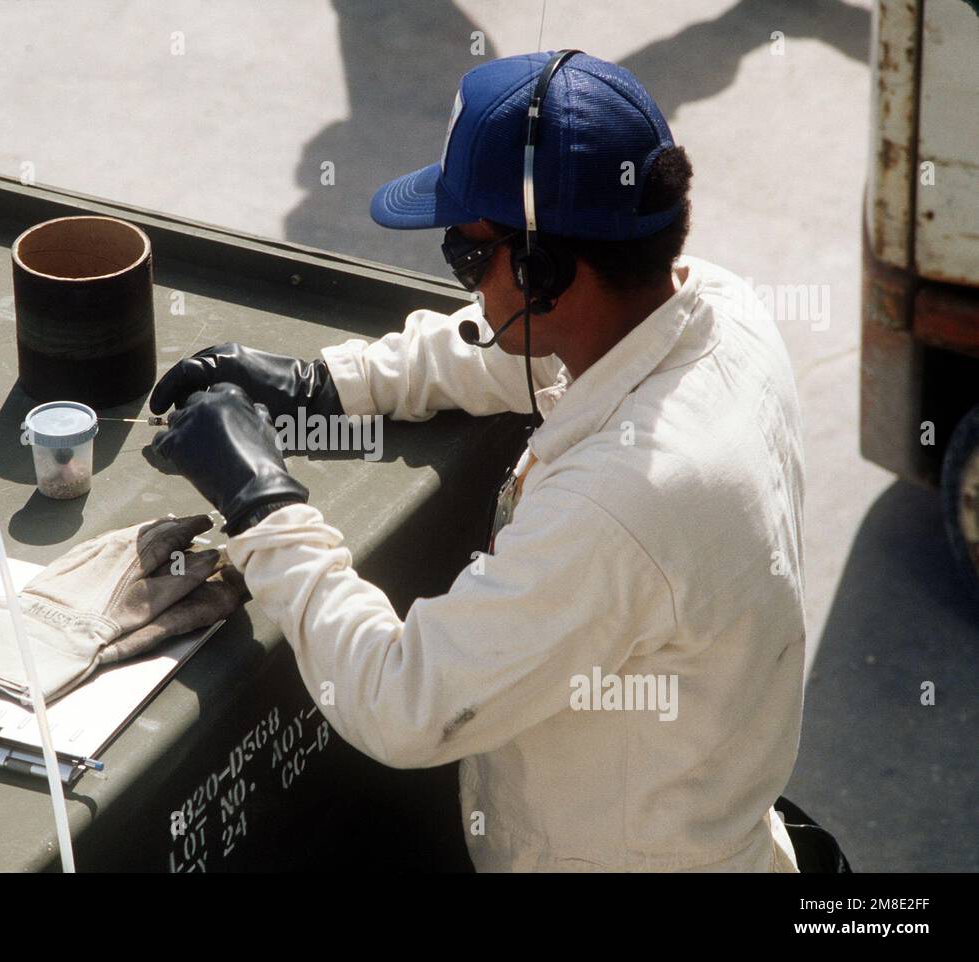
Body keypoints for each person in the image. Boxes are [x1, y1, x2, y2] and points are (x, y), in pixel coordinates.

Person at [149, 51, 805, 872]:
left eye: (467, 258)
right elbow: (526, 354)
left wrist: (260, 503)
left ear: (542, 270)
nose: (466, 285)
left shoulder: (619, 508)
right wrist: (325, 383)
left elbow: (403, 704)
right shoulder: (717, 311)